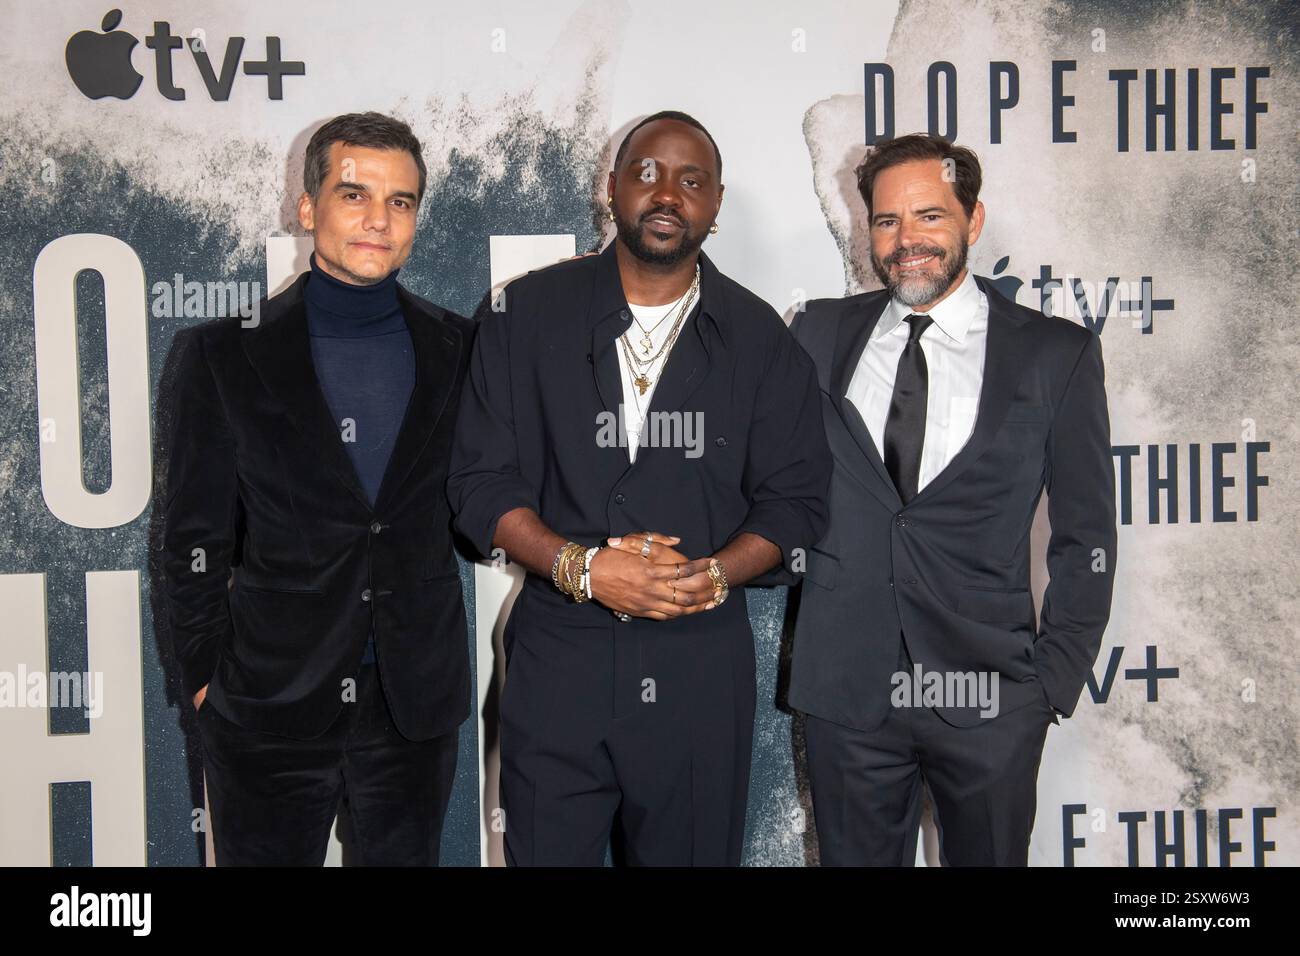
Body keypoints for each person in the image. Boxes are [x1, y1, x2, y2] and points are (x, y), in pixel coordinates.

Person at [448, 110, 830, 866]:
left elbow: (797, 503)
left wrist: (714, 573)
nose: (668, 194)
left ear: (716, 206)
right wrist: (582, 569)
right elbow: (478, 484)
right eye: (648, 172)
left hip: (698, 671)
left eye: (693, 181)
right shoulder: (523, 313)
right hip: (558, 660)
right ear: (614, 186)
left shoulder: (761, 339)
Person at [788, 133, 1116, 866]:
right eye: (886, 221)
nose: (908, 241)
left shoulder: (1053, 355)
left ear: (973, 219)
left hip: (991, 697)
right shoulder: (815, 335)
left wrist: (1050, 680)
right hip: (849, 696)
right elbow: (780, 483)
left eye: (930, 217)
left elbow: (1086, 534)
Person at [162, 112, 473, 865]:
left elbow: (479, 506)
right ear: (307, 208)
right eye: (353, 194)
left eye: (400, 202)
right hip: (267, 703)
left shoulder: (461, 348)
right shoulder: (220, 354)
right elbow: (190, 542)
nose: (377, 219)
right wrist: (205, 683)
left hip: (411, 705)